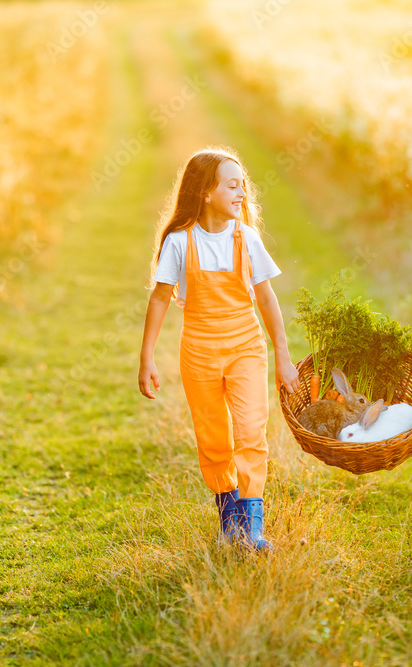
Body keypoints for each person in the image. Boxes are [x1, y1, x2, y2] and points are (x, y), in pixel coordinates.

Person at [138, 146, 300, 551]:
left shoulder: (247, 238)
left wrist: (282, 355)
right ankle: (229, 519)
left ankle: (253, 525)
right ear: (206, 192)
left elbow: (266, 298)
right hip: (199, 350)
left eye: (243, 185)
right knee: (213, 438)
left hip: (246, 344)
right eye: (232, 185)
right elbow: (159, 298)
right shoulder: (180, 241)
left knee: (250, 431)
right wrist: (146, 358)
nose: (242, 192)